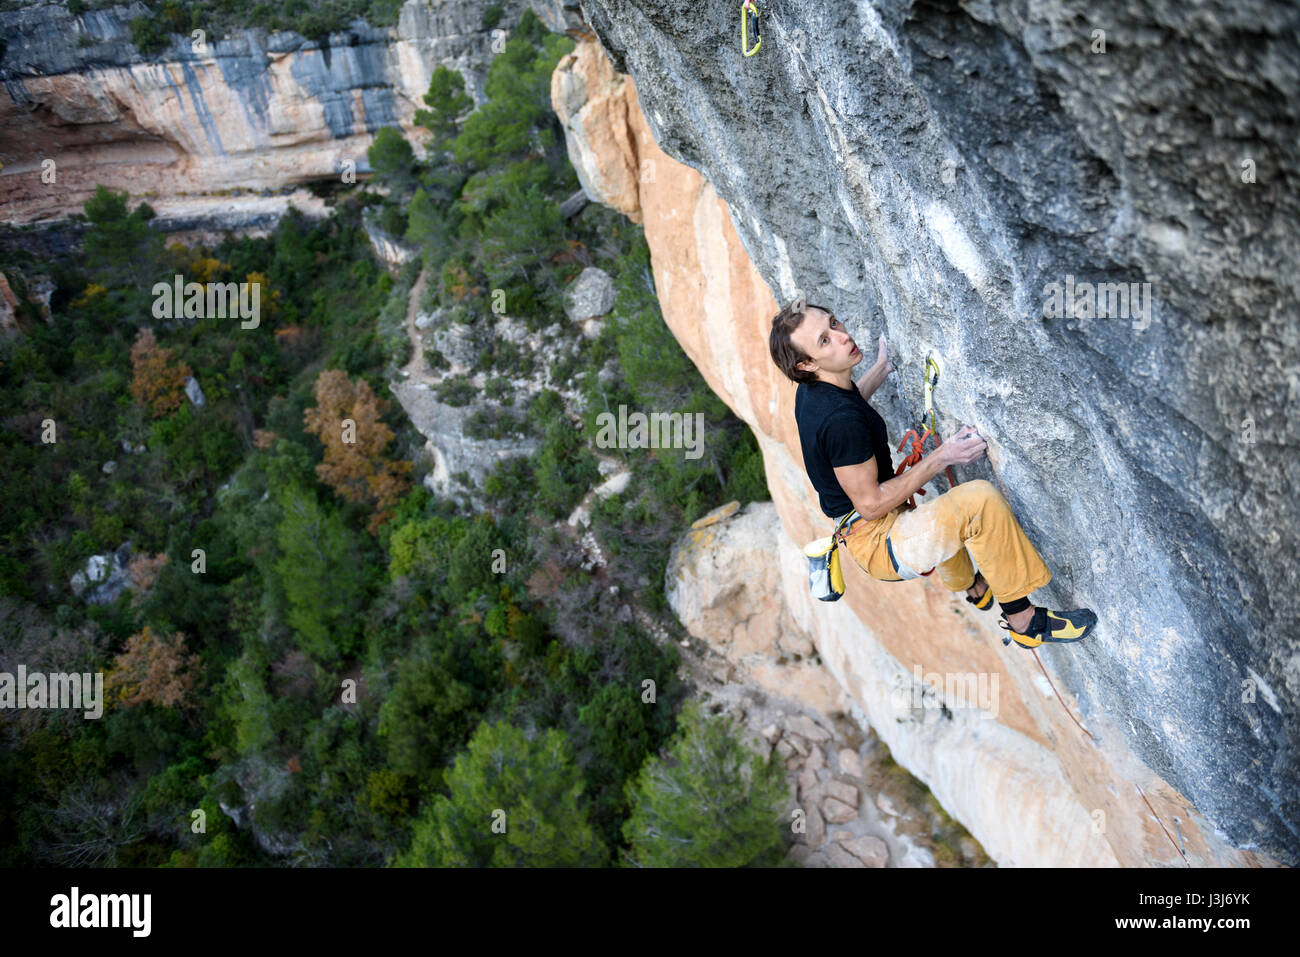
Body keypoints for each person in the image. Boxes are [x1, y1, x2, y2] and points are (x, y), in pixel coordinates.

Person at [769, 298, 1096, 647]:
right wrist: (944, 456)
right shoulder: (837, 421)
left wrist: (882, 367)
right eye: (824, 340)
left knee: (941, 517)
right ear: (806, 364)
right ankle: (1025, 622)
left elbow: (850, 410)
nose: (842, 336)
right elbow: (872, 504)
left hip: (868, 526)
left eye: (834, 323)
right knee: (977, 503)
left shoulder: (814, 391)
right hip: (879, 540)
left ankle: (973, 588)